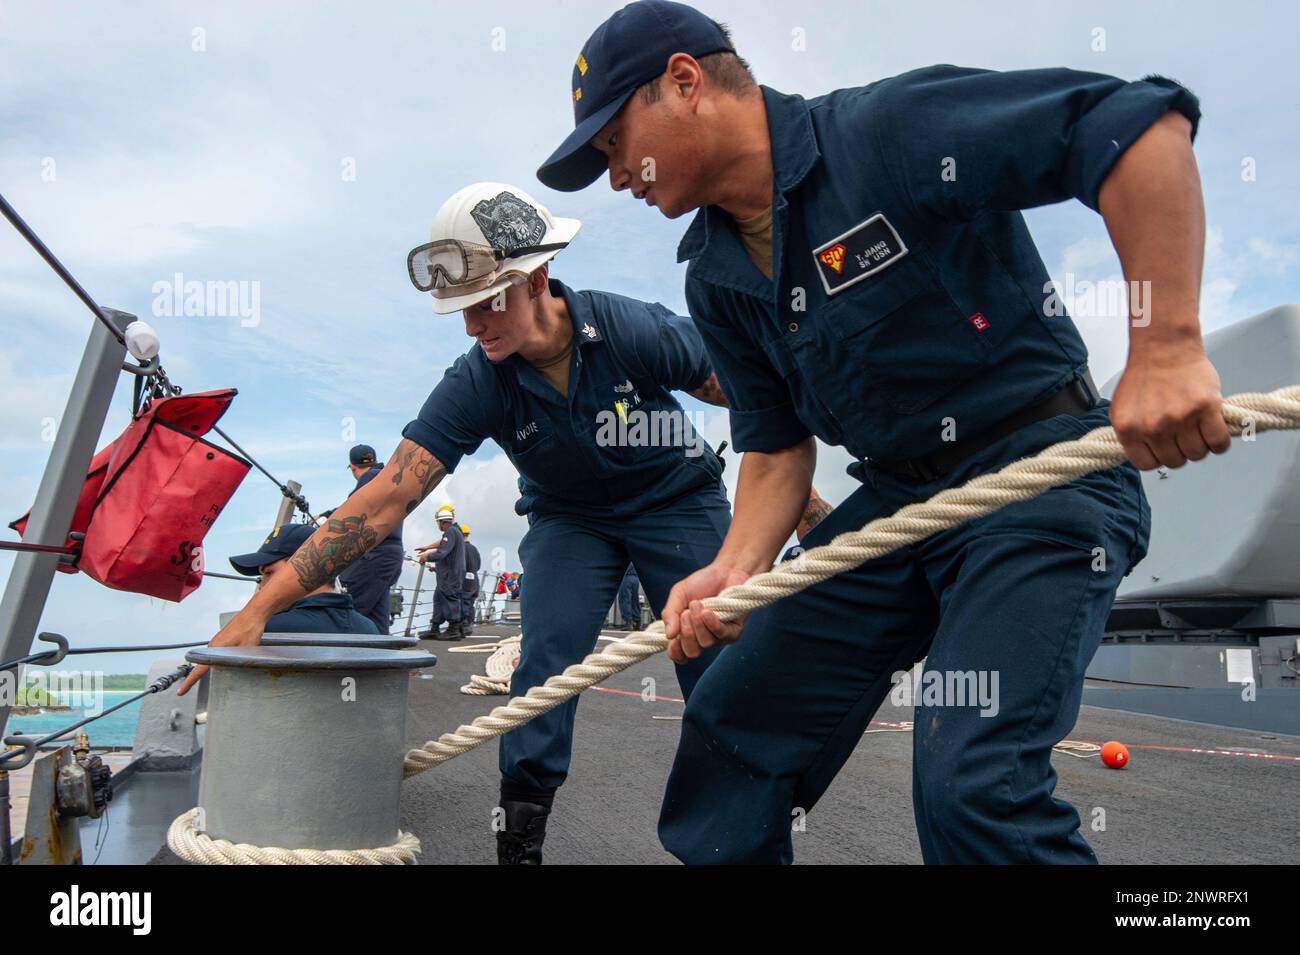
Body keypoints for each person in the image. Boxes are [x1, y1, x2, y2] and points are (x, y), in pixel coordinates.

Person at [539, 1, 1230, 864]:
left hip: (1044, 473)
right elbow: (778, 441)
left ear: (684, 83)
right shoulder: (715, 279)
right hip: (900, 499)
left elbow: (1134, 129)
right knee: (729, 725)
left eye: (613, 145)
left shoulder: (889, 130)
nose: (615, 178)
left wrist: (1164, 346)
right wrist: (735, 569)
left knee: (972, 782)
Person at [182, 180, 736, 866]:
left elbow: (747, 389)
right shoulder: (479, 380)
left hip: (677, 499)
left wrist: (799, 509)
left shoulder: (628, 328)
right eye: (462, 310)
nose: (473, 326)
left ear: (537, 276)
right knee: (542, 670)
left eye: (487, 302)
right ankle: (518, 849)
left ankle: (734, 840)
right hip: (571, 521)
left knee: (723, 666)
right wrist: (262, 606)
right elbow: (385, 500)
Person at [228, 523, 378, 635]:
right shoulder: (369, 630)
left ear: (305, 567)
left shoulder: (268, 630)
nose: (261, 586)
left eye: (269, 573)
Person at [336, 444, 405, 633]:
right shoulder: (385, 477)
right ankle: (380, 657)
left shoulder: (370, 477)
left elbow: (353, 512)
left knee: (346, 610)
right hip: (390, 555)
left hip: (373, 554)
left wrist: (326, 518)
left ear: (352, 467)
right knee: (376, 615)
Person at [415, 505, 467, 640]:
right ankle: (435, 628)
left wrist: (427, 556)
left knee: (451, 599)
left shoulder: (450, 532)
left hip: (450, 575)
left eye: (439, 522)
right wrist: (427, 548)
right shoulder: (455, 531)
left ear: (443, 522)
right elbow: (443, 545)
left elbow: (442, 552)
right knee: (438, 599)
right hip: (447, 575)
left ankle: (453, 629)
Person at [460, 523, 481, 633]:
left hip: (465, 581)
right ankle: (469, 624)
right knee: (470, 603)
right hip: (474, 581)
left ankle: (464, 625)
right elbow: (478, 566)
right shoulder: (474, 549)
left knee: (464, 602)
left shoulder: (461, 549)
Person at [616, 563, 641, 630]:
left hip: (626, 576)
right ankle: (637, 622)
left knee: (625, 599)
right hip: (635, 577)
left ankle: (629, 623)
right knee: (634, 600)